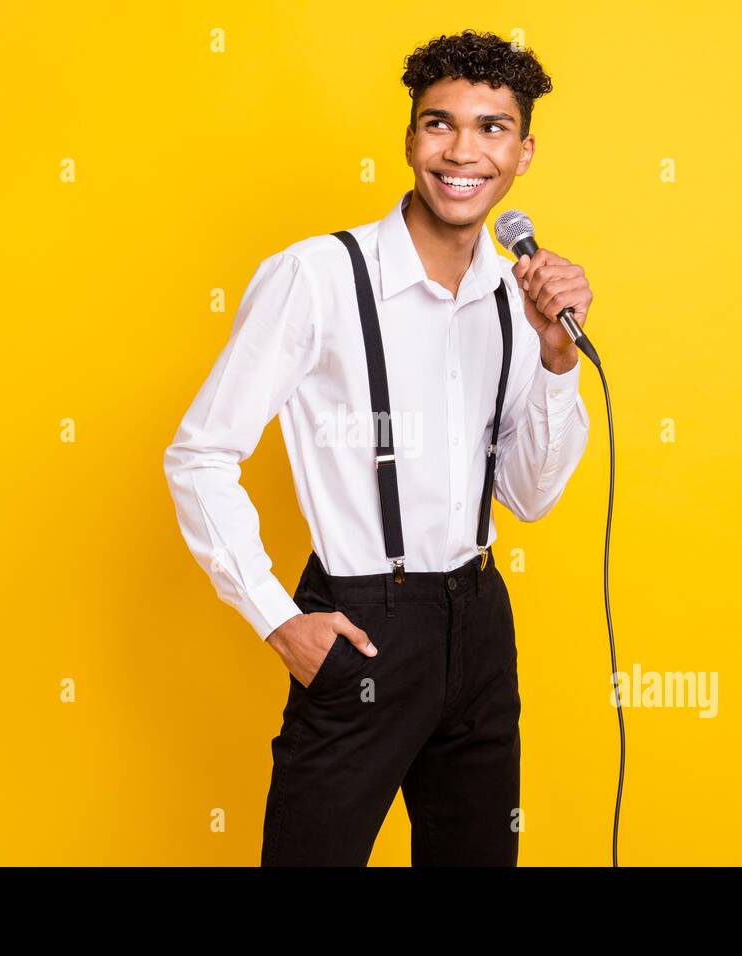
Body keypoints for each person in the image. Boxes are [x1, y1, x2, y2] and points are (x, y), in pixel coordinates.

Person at [164, 29, 594, 866]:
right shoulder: (316, 277)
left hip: (478, 626)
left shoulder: (516, 297)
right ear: (409, 140)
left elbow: (531, 496)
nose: (462, 151)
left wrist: (557, 358)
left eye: (491, 128)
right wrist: (277, 619)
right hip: (361, 625)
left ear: (524, 152)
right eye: (440, 125)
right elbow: (200, 453)